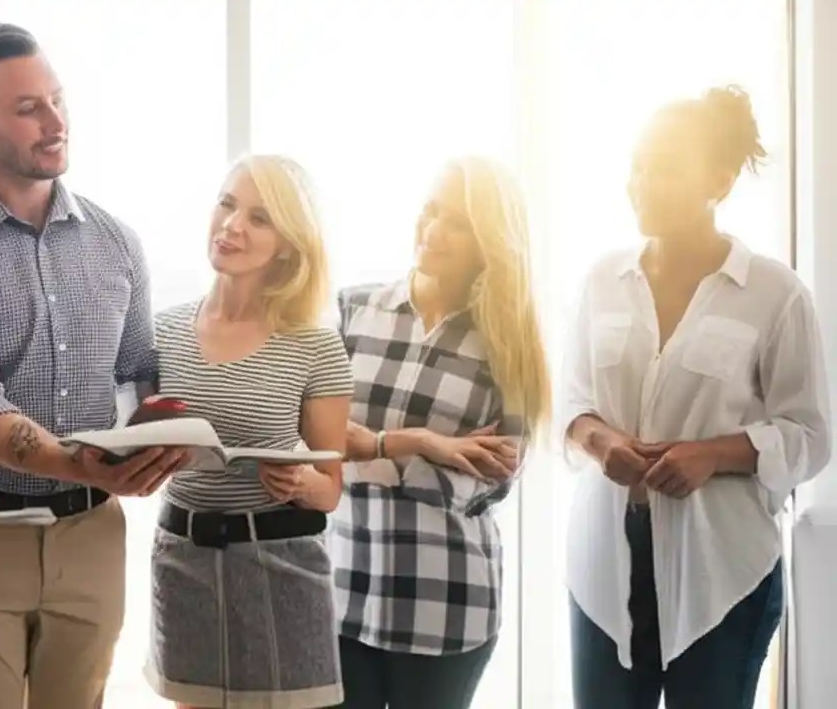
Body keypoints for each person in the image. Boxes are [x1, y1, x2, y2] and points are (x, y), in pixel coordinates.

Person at [0, 23, 186, 708]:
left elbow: (141, 373)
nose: (55, 123)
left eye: (57, 100)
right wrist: (78, 461)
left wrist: (170, 433)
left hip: (92, 536)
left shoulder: (117, 243)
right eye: (28, 108)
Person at [561, 86, 830, 709]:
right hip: (604, 566)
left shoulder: (775, 293)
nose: (642, 182)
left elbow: (811, 435)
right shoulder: (602, 280)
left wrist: (712, 454)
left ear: (720, 180)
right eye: (637, 165)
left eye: (665, 168)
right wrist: (603, 443)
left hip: (721, 573)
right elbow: (573, 403)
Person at [332, 156, 549, 709]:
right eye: (431, 211)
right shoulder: (353, 309)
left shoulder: (509, 346)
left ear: (490, 240)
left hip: (446, 605)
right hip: (342, 596)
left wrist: (369, 447)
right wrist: (422, 444)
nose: (433, 232)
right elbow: (318, 444)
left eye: (457, 221)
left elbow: (482, 483)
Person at [145, 155, 354, 709]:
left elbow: (330, 488)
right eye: (227, 203)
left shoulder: (315, 344)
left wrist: (298, 481)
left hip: (279, 566)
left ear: (287, 244)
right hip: (182, 560)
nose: (233, 225)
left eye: (259, 218)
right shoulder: (160, 330)